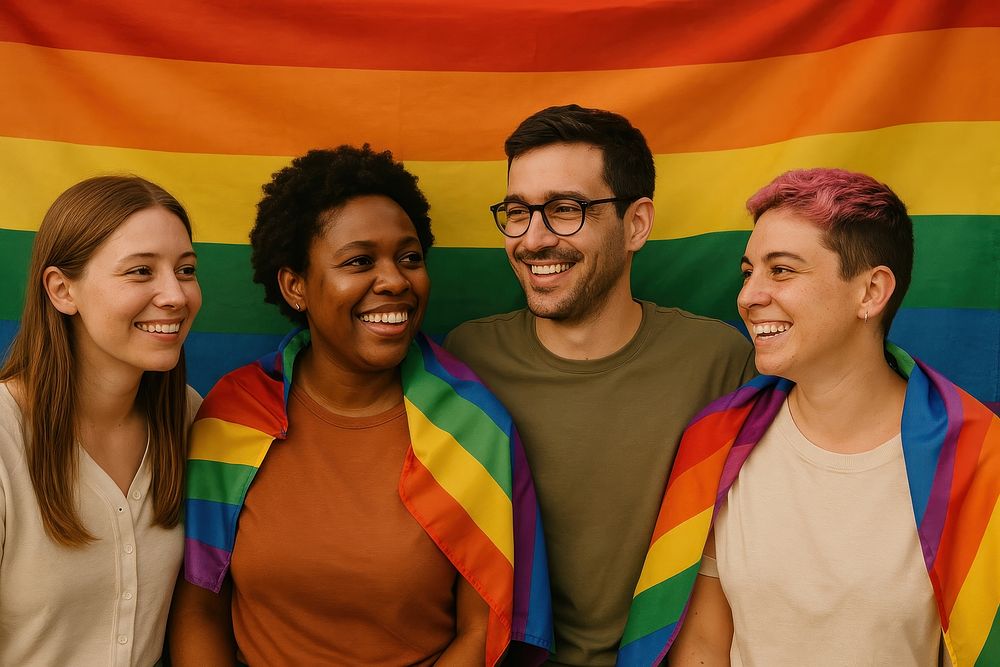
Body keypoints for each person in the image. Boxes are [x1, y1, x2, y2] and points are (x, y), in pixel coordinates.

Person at [168, 145, 552, 666]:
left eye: (410, 258)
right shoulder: (236, 413)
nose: (395, 280)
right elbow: (200, 606)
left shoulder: (473, 426)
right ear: (295, 286)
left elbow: (484, 629)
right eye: (359, 261)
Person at [628, 168, 999, 666]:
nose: (748, 296)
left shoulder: (978, 456)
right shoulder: (717, 443)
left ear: (871, 292)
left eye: (781, 270)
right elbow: (702, 648)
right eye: (748, 272)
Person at [444, 104, 754, 665]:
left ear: (636, 225)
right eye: (518, 213)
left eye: (566, 209)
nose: (533, 239)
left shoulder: (719, 362)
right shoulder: (468, 360)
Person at [0, 175, 203, 665]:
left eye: (186, 270)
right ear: (62, 290)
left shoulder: (191, 418)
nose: (175, 295)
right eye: (140, 271)